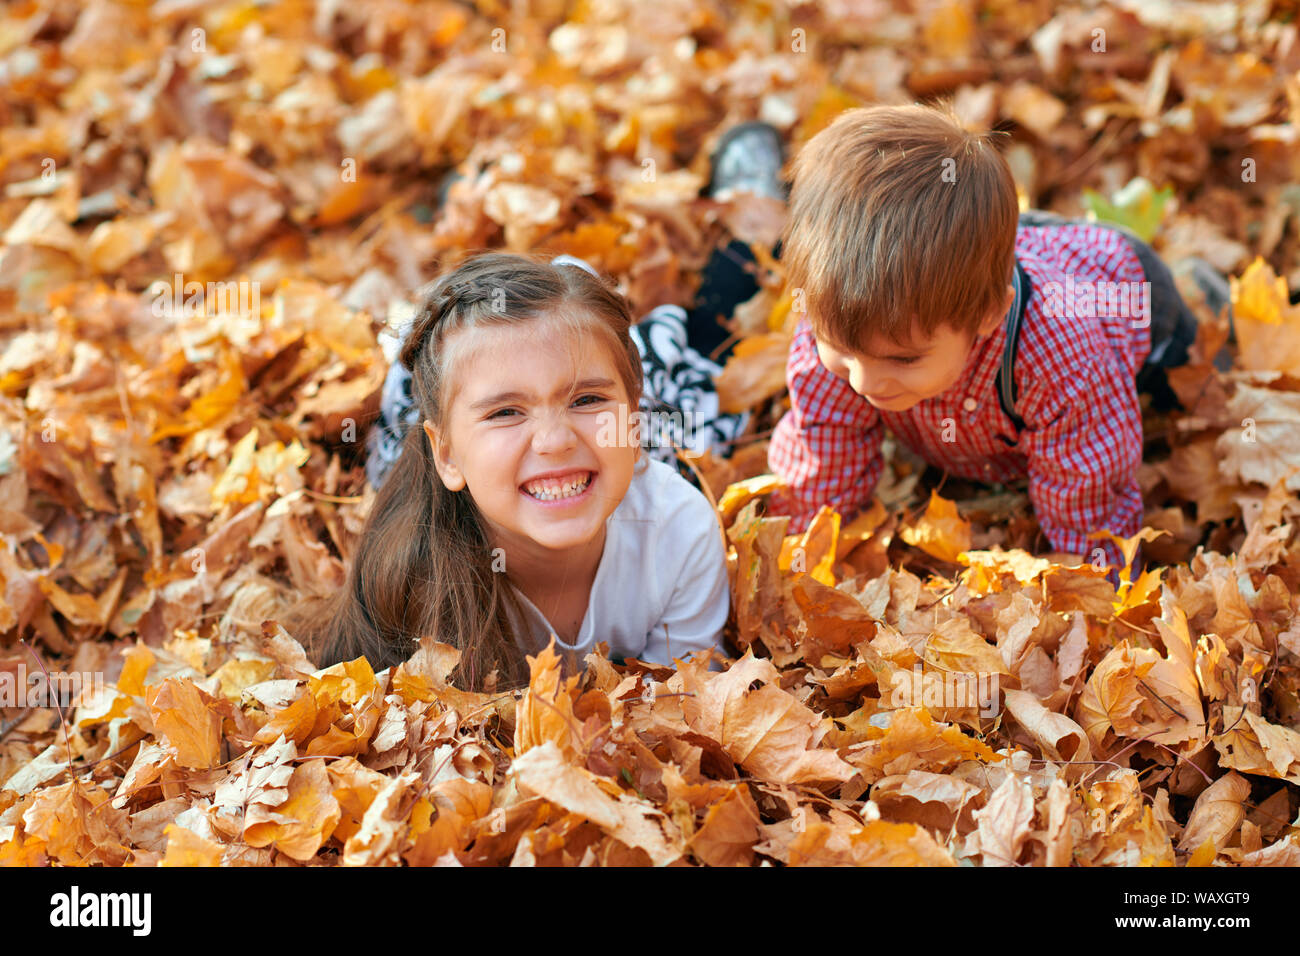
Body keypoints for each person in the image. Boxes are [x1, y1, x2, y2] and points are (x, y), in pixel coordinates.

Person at [764, 101, 1218, 570]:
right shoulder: (845, 315)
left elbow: (1089, 484)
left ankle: (1199, 283)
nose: (863, 382)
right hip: (985, 271)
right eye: (839, 348)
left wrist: (1088, 573)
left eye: (902, 360)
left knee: (1192, 393)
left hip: (1127, 293)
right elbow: (821, 451)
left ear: (988, 315)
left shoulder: (1062, 357)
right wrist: (803, 544)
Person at [288, 253, 731, 690]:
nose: (554, 441)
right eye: (506, 412)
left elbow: (676, 707)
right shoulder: (415, 573)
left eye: (586, 400)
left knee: (687, 383)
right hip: (424, 440)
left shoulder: (681, 532)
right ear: (448, 457)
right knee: (410, 407)